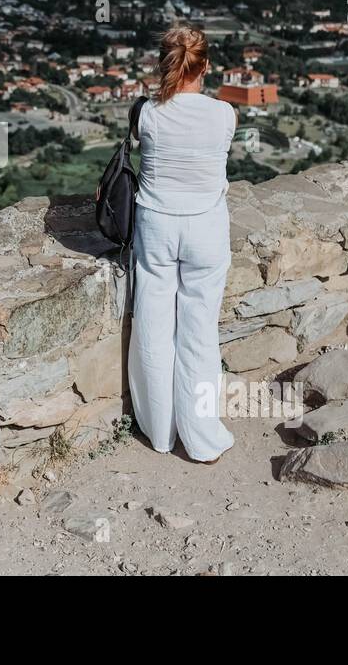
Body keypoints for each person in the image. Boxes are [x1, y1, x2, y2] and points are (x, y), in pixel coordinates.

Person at [128, 26, 237, 463]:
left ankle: (159, 431)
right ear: (205, 65)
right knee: (199, 331)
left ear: (162, 64)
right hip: (206, 226)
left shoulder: (145, 113)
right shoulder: (225, 114)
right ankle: (201, 436)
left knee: (153, 325)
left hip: (156, 224)